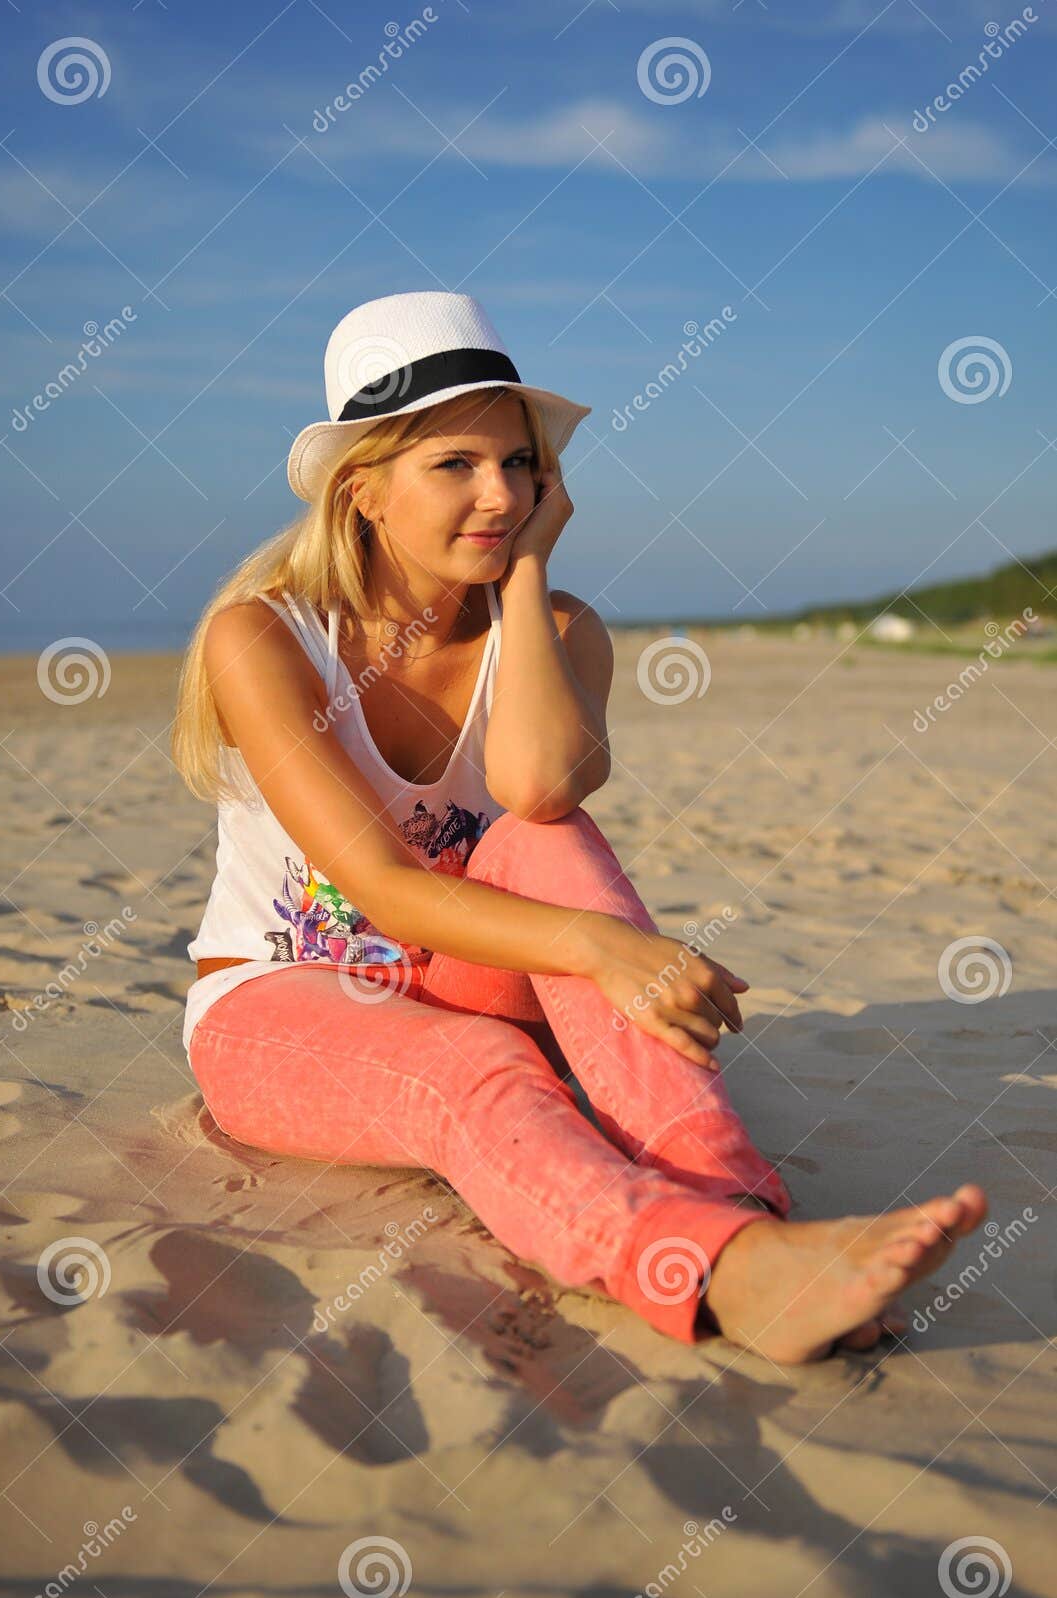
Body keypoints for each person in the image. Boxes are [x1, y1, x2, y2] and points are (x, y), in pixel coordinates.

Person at [171, 290, 987, 1363]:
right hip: (281, 1000)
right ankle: (718, 1269)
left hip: (467, 969)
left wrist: (525, 579)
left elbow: (542, 788)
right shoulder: (264, 639)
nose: (499, 493)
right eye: (455, 466)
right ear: (363, 491)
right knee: (473, 1068)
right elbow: (379, 886)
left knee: (548, 842)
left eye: (519, 465)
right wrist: (605, 947)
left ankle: (743, 1213)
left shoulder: (558, 629)